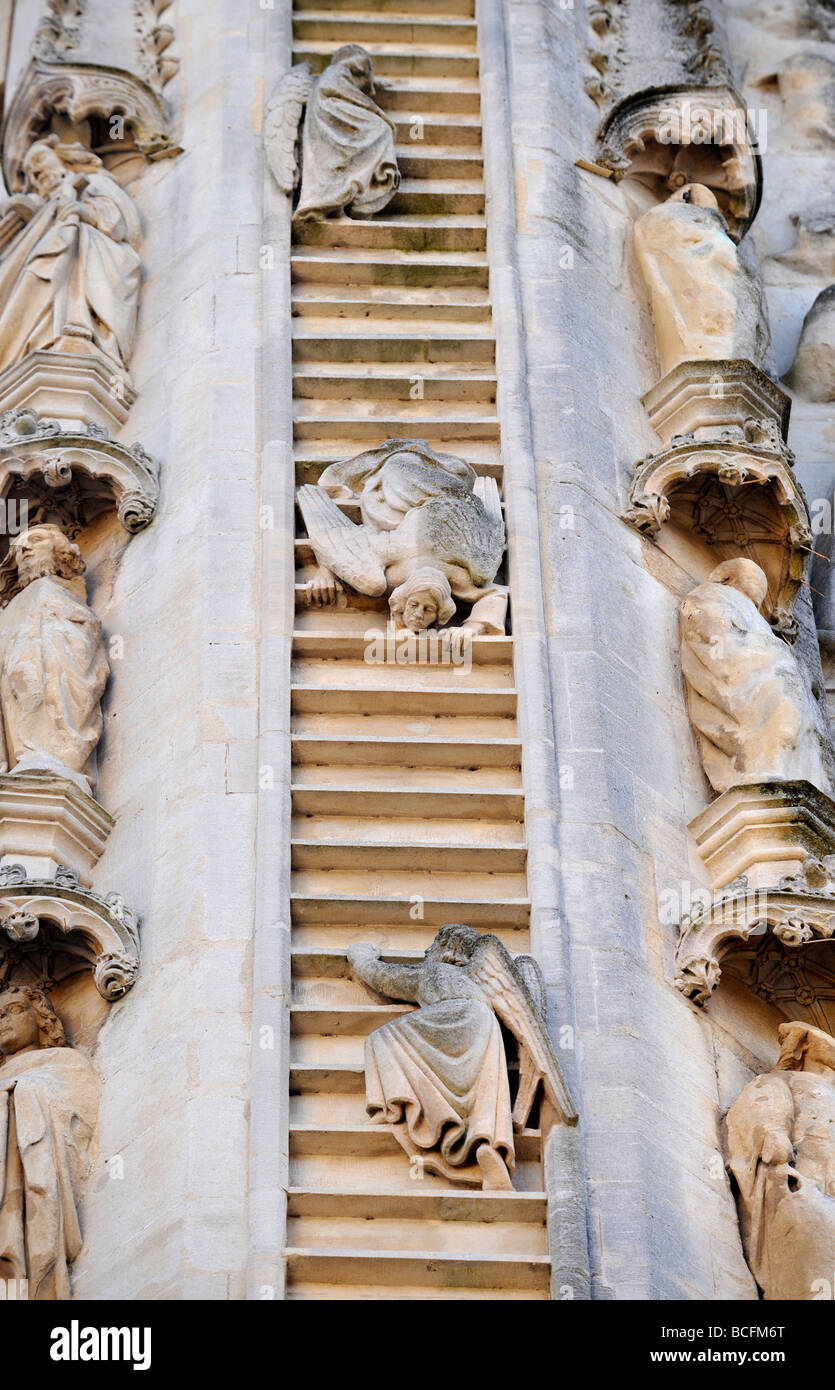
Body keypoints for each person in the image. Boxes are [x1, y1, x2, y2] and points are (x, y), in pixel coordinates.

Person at [679, 557, 831, 794]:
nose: (759, 592)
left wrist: (789, 660)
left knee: (808, 727)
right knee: (782, 696)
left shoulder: (757, 618)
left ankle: (804, 782)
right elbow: (712, 634)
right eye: (753, 581)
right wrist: (777, 654)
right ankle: (763, 769)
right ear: (727, 578)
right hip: (748, 676)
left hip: (771, 672)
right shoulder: (710, 594)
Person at [0, 136, 141, 374]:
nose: (36, 171)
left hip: (93, 249)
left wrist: (83, 211)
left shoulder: (91, 181)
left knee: (79, 237)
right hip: (51, 254)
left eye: (39, 159)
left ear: (62, 157)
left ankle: (78, 325)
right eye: (29, 172)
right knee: (43, 260)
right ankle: (34, 342)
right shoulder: (43, 205)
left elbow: (119, 220)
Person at [0, 985, 99, 1299]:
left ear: (41, 1018)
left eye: (15, 1010)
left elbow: (80, 1113)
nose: (4, 1020)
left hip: (28, 1180)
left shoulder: (64, 1061)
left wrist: (20, 1091)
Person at [725, 1021, 835, 1300]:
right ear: (803, 1046)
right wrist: (772, 1134)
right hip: (805, 1187)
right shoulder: (784, 1079)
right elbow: (764, 1107)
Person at [0, 524, 110, 792]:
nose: (24, 549)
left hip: (46, 676)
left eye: (35, 540)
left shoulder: (56, 591)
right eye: (18, 548)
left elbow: (78, 644)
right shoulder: (13, 606)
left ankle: (52, 755)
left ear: (59, 551)